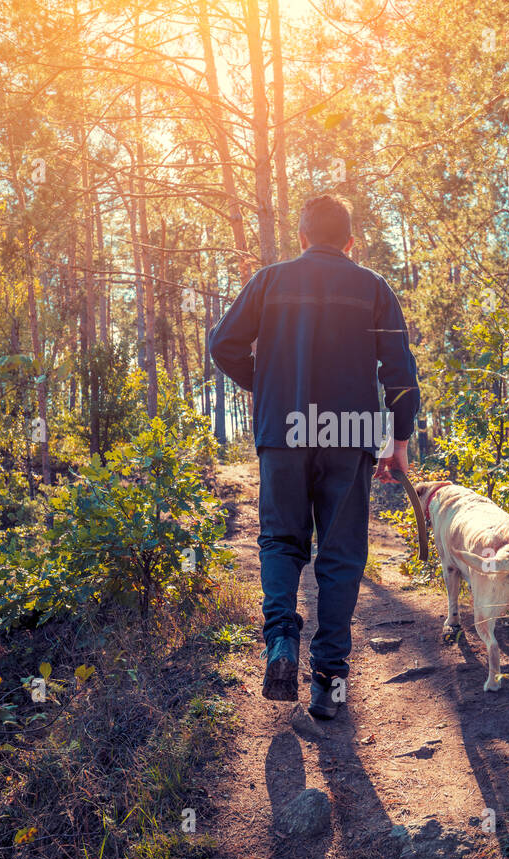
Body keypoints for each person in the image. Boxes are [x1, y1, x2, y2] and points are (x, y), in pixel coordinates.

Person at [209, 194, 420, 719]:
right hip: (350, 434)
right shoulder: (373, 287)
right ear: (351, 242)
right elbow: (398, 371)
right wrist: (398, 442)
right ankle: (329, 679)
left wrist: (268, 383)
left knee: (281, 541)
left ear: (302, 237)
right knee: (342, 553)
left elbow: (223, 345)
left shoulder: (268, 281)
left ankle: (280, 638)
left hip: (283, 432)